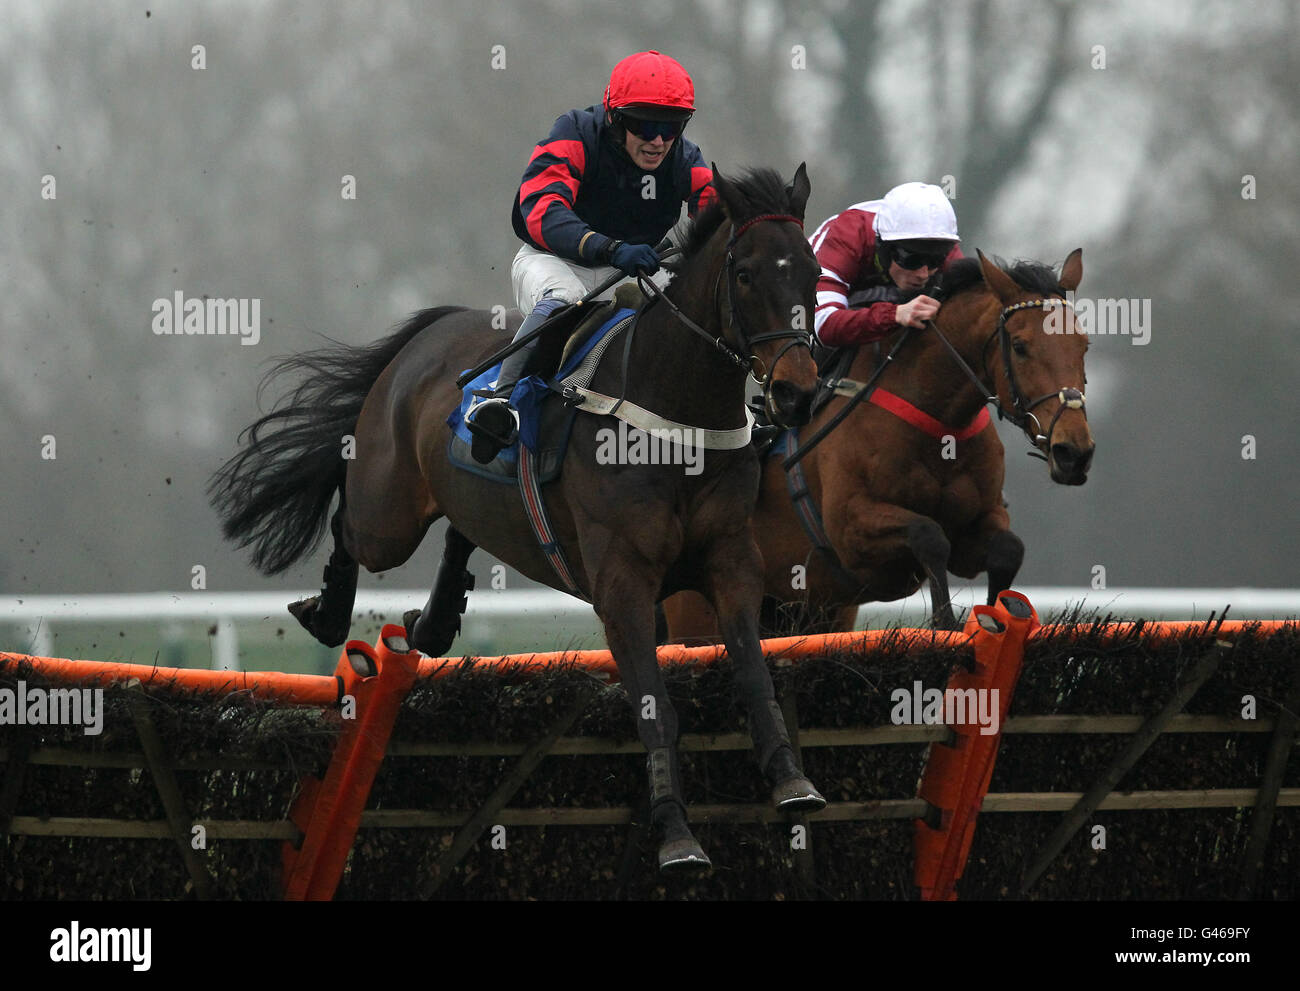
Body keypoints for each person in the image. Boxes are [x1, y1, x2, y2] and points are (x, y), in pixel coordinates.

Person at [466, 50, 717, 463]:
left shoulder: (684, 159)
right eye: (644, 124)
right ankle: (498, 399)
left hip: (632, 270)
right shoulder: (576, 133)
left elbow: (718, 212)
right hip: (555, 261)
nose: (657, 140)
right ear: (615, 117)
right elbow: (541, 208)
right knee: (564, 297)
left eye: (670, 127)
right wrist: (611, 248)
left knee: (694, 309)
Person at [808, 182, 963, 351]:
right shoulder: (847, 237)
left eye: (936, 261)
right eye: (911, 259)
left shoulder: (945, 247)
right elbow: (820, 326)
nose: (923, 274)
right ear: (883, 248)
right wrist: (893, 315)